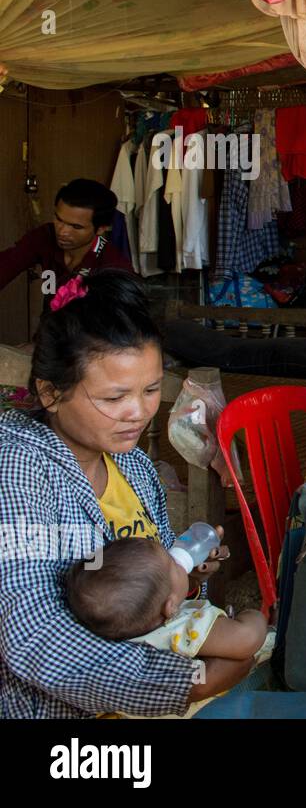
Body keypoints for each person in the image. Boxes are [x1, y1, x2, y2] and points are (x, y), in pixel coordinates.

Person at [0, 271, 239, 718]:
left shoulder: (133, 465)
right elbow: (32, 637)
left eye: (150, 390)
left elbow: (143, 594)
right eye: (113, 398)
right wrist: (183, 683)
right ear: (50, 393)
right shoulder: (18, 471)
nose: (138, 413)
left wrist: (181, 572)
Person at [65, 536, 272, 717]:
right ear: (170, 606)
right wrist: (252, 614)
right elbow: (247, 638)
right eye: (173, 565)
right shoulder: (182, 629)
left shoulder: (125, 629)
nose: (178, 561)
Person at [0, 179, 134, 297]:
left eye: (76, 227)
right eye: (59, 219)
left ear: (101, 228)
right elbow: (8, 263)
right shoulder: (45, 235)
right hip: (50, 323)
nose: (62, 231)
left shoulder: (114, 268)